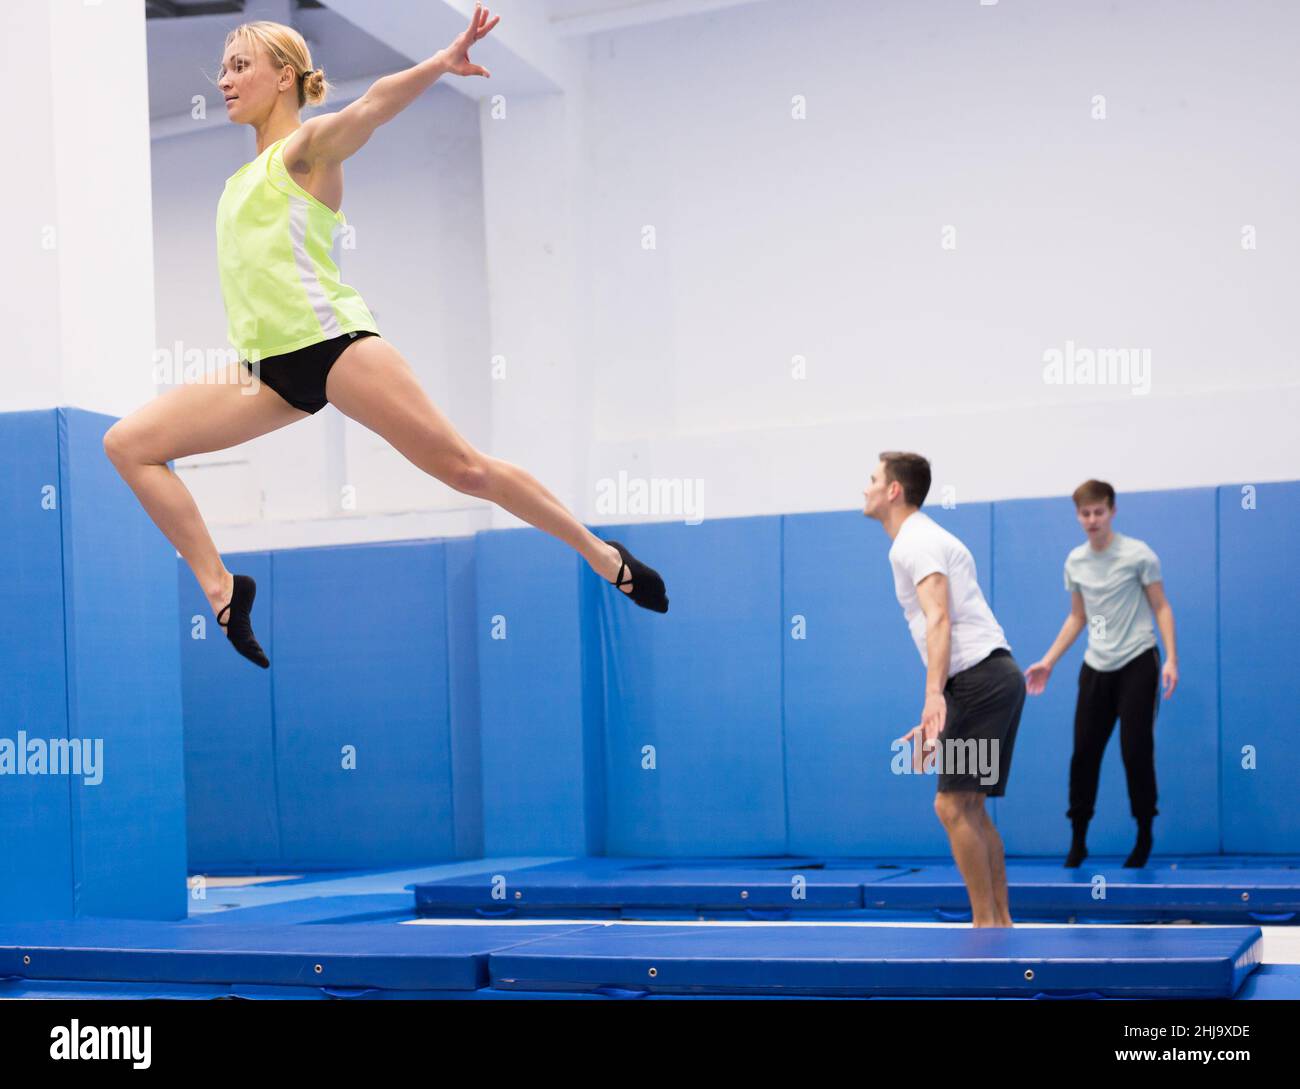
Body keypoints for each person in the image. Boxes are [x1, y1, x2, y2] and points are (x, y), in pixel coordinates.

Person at [103, 4, 667, 669]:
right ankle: (223, 588)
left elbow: (368, 108)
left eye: (240, 65)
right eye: (222, 68)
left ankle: (603, 555)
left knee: (465, 469)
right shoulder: (236, 182)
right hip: (263, 371)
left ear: (284, 77)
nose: (224, 80)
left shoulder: (305, 150)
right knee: (129, 444)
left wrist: (438, 63)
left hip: (336, 347)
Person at [865, 452, 1026, 927]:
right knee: (970, 807)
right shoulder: (922, 538)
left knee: (951, 804)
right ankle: (999, 922)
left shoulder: (914, 541)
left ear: (894, 490)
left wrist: (935, 695)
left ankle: (986, 925)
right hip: (988, 677)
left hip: (979, 678)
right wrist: (942, 699)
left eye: (873, 479)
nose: (866, 487)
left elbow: (940, 617)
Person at [1024, 480, 1177, 869]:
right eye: (1085, 513)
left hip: (1138, 660)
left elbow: (1160, 607)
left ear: (1112, 511)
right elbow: (1078, 616)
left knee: (1134, 749)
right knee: (1084, 754)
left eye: (1098, 512)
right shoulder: (1075, 561)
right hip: (1097, 666)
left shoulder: (1138, 555)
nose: (1092, 520)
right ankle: (1078, 840)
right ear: (1078, 516)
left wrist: (1171, 658)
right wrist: (1049, 660)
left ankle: (1144, 834)